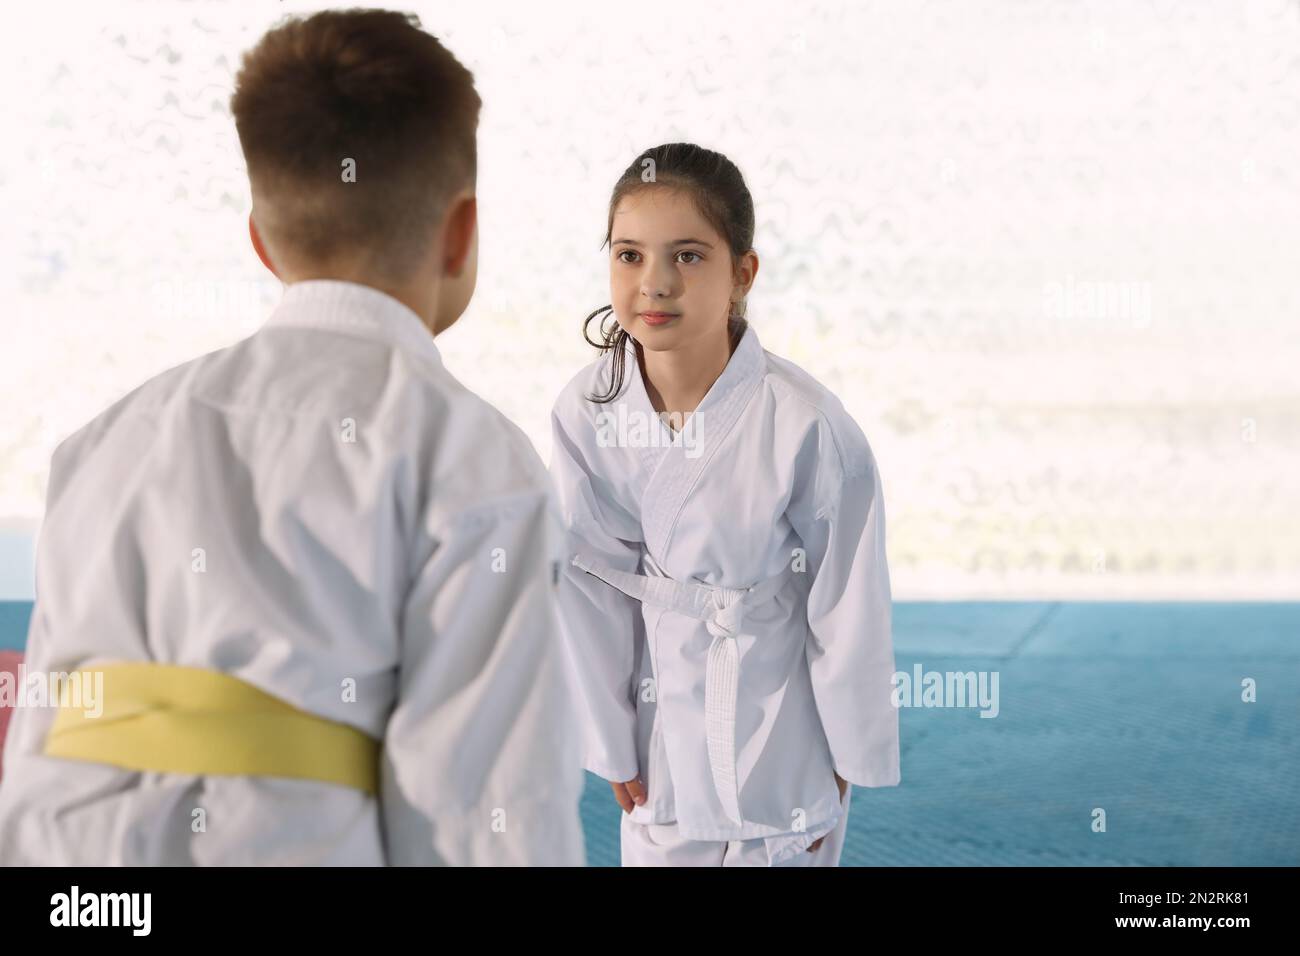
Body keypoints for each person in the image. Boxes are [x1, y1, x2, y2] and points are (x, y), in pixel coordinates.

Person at [0, 8, 584, 866]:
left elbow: (45, 740)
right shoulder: (474, 462)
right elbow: (488, 818)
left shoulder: (103, 444)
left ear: (260, 242)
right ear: (461, 232)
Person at [551, 143, 899, 866]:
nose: (655, 283)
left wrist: (845, 758)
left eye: (687, 256)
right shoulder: (589, 410)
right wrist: (611, 740)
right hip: (662, 735)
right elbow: (587, 587)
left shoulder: (805, 422)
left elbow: (848, 601)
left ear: (742, 272)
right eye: (628, 255)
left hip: (781, 727)